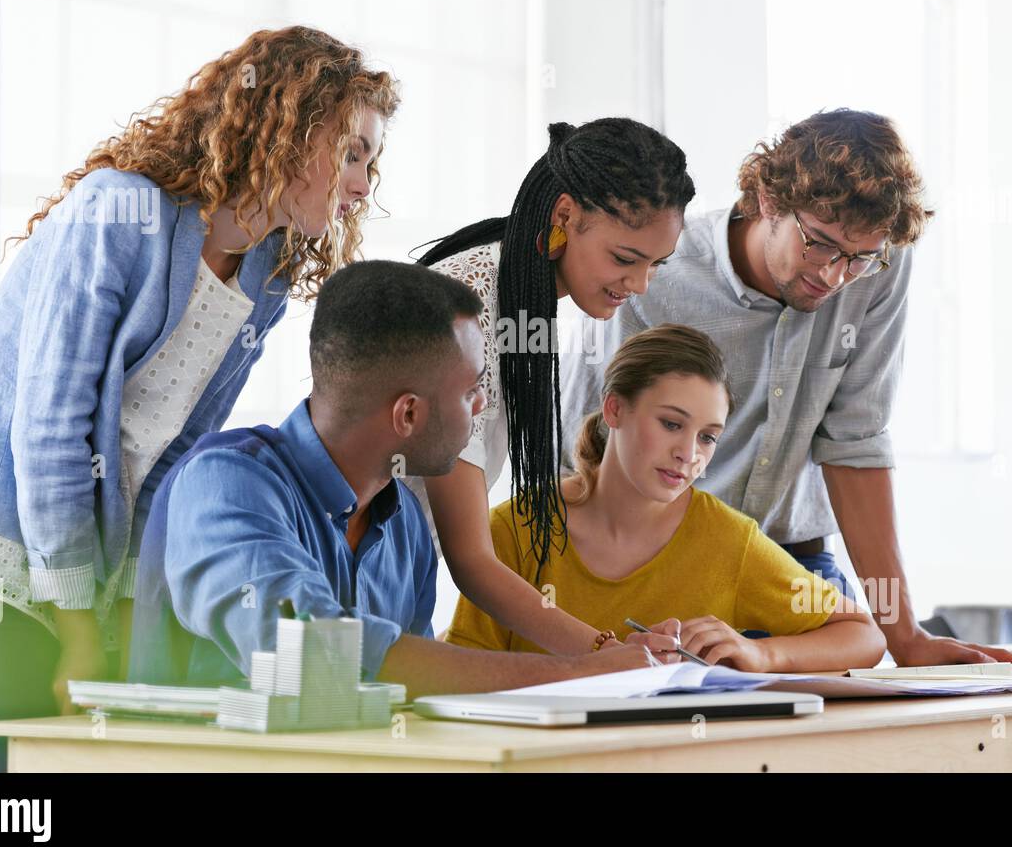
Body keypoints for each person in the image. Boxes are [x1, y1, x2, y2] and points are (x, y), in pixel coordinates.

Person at [0, 26, 400, 772]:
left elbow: (175, 460)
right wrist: (77, 630)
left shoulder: (264, 274)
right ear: (290, 129)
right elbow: (48, 432)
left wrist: (127, 622)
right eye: (352, 151)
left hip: (88, 581)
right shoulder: (117, 213)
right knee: (9, 802)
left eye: (371, 161)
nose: (363, 182)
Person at [559, 108, 1012, 667]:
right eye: (820, 244)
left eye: (857, 259)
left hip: (799, 574)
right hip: (669, 570)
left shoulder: (878, 266)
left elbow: (856, 442)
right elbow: (578, 444)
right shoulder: (654, 277)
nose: (833, 276)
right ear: (767, 201)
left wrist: (906, 638)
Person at [128, 261, 668, 695]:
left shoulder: (405, 520)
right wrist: (580, 673)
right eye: (470, 390)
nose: (482, 404)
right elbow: (311, 654)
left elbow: (408, 694)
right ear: (407, 414)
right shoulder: (225, 483)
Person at [408, 117, 697, 657]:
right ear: (566, 214)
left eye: (655, 265)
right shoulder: (469, 301)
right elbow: (471, 560)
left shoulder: (521, 291)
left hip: (393, 578)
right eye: (625, 259)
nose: (638, 286)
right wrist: (604, 652)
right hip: (350, 583)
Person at [447, 324, 887, 672]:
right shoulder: (514, 529)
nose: (688, 454)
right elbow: (461, 669)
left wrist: (761, 654)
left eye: (708, 437)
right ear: (615, 409)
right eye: (672, 424)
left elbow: (864, 636)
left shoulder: (728, 541)